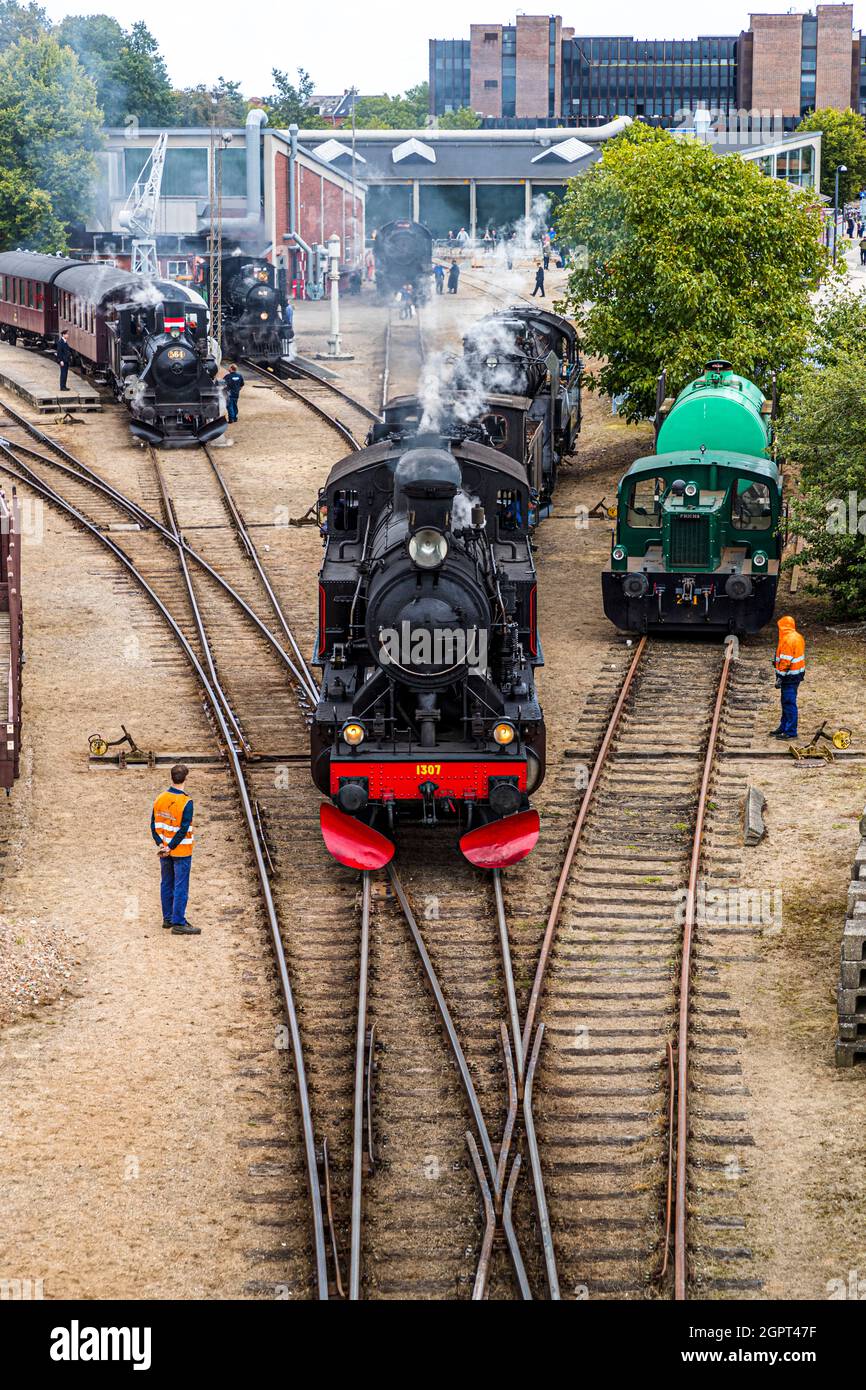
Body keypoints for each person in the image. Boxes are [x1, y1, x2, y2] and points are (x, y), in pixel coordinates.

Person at [151, 764, 199, 935]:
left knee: (166, 883)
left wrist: (161, 845)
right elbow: (184, 828)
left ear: (171, 777)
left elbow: (153, 824)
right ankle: (179, 922)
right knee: (180, 886)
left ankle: (168, 918)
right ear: (185, 778)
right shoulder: (186, 802)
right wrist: (171, 847)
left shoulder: (160, 798)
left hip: (164, 850)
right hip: (181, 851)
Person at [769, 615, 806, 740]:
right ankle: (784, 727)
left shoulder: (787, 639)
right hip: (796, 675)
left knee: (789, 703)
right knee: (786, 702)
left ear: (783, 627)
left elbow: (785, 661)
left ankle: (790, 731)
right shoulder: (797, 636)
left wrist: (780, 676)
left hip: (789, 677)